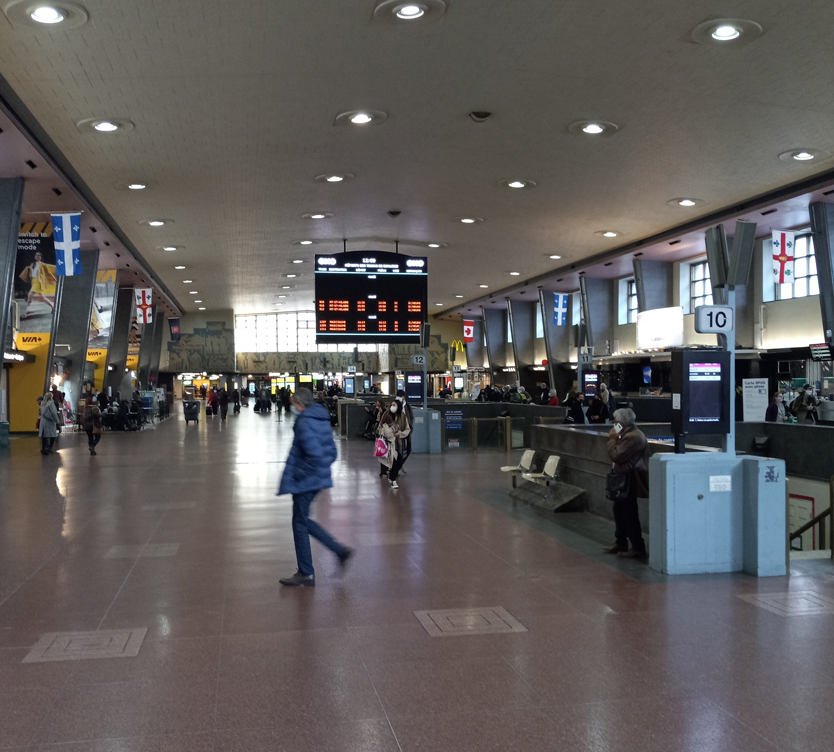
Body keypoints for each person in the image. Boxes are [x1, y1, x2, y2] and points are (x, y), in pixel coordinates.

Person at [277, 388, 353, 586]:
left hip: (307, 481)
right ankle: (334, 553)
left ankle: (309, 571)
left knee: (299, 522)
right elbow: (331, 453)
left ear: (301, 404)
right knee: (301, 520)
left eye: (294, 403)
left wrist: (299, 475)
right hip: (317, 478)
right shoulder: (321, 419)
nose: (292, 407)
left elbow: (314, 454)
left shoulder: (304, 422)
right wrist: (319, 469)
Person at [604, 408, 649, 559]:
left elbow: (616, 455)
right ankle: (621, 541)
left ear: (622, 424)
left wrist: (612, 439)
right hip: (623, 478)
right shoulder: (627, 434)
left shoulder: (634, 437)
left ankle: (637, 547)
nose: (613, 425)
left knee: (629, 514)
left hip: (630, 480)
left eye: (615, 422)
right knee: (619, 511)